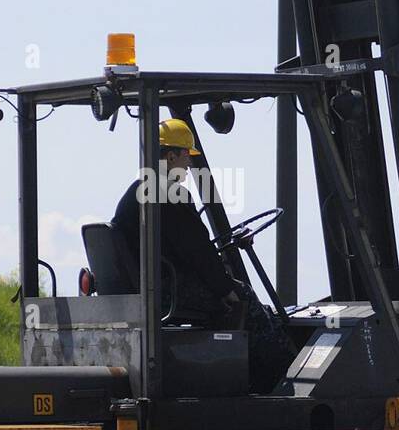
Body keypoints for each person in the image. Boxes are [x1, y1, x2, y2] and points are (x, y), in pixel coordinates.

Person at [111, 118, 293, 392]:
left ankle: (239, 373)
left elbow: (190, 248)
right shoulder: (169, 193)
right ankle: (280, 378)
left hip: (153, 287)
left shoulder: (138, 191)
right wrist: (225, 290)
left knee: (243, 301)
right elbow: (198, 252)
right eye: (186, 156)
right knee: (245, 299)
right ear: (171, 156)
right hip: (168, 290)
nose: (188, 165)